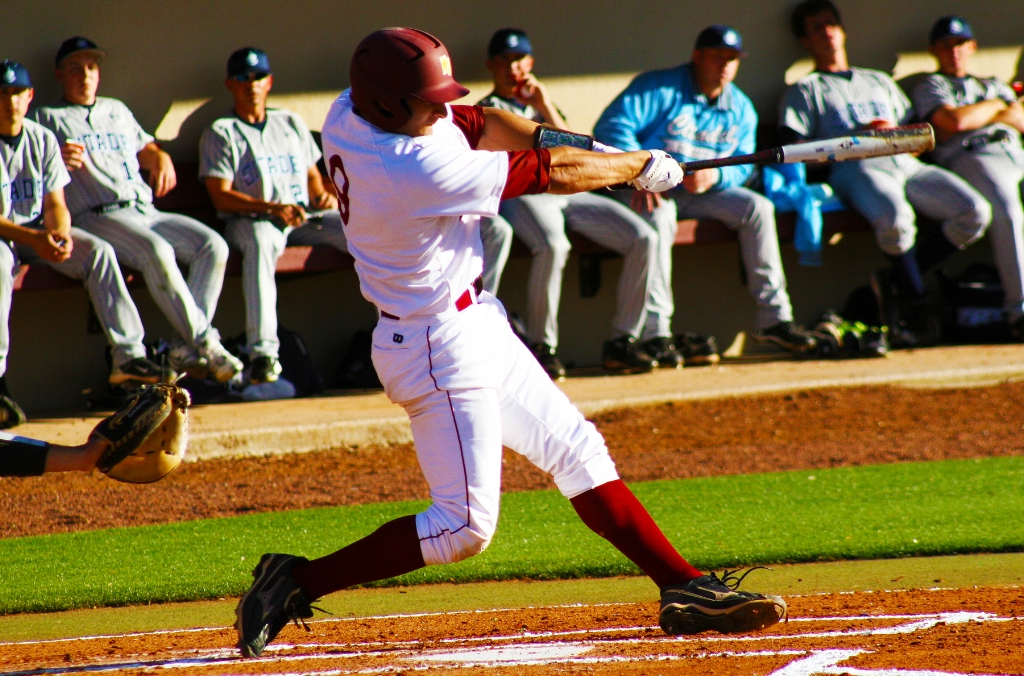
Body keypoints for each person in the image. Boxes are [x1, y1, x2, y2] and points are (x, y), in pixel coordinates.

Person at [233, 27, 786, 659]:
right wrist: (637, 165)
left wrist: (604, 151)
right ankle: (294, 580)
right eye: (428, 101)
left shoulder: (349, 110)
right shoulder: (410, 167)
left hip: (472, 320)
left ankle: (682, 586)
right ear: (389, 104)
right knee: (463, 527)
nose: (441, 110)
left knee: (578, 451)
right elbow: (547, 174)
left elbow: (488, 120)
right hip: (432, 342)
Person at [779, 1, 992, 347]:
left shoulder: (877, 80)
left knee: (975, 211)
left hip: (905, 161)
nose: (827, 31)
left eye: (831, 23)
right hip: (855, 167)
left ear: (843, 30)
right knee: (896, 219)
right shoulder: (805, 89)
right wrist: (855, 138)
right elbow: (795, 151)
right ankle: (918, 303)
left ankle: (894, 281)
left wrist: (895, 134)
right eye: (816, 27)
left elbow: (920, 132)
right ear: (805, 40)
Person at [594, 26, 815, 357]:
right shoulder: (659, 87)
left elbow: (744, 164)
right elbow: (612, 128)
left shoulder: (740, 106)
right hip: (647, 187)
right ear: (697, 56)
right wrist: (642, 172)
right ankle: (656, 333)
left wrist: (716, 178)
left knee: (757, 208)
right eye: (717, 56)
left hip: (701, 194)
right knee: (660, 215)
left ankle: (774, 320)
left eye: (732, 58)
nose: (725, 65)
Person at [32, 37, 242, 382]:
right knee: (157, 250)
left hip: (145, 209)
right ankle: (207, 343)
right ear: (59, 75)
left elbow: (145, 147)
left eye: (91, 67)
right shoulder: (47, 117)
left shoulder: (116, 109)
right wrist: (60, 162)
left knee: (212, 246)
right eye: (75, 68)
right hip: (99, 214)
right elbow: (37, 167)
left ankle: (182, 347)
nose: (85, 75)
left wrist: (158, 155)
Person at [478, 28, 670, 377]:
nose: (513, 68)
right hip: (525, 195)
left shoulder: (540, 106)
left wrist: (543, 104)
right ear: (492, 66)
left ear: (530, 63)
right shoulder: (487, 109)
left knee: (644, 237)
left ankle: (623, 342)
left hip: (569, 195)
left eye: (519, 59)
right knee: (552, 245)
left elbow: (579, 148)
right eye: (504, 60)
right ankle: (542, 345)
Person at [0, 61, 170, 426]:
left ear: (29, 97)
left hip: (37, 234)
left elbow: (56, 204)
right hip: (7, 238)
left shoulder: (41, 138)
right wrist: (38, 239)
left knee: (99, 252)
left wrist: (59, 235)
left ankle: (127, 358)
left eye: (17, 93)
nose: (10, 101)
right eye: (2, 93)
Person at [200, 48, 349, 384]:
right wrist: (270, 208)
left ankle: (400, 327)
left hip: (300, 218)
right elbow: (219, 193)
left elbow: (312, 174)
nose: (250, 84)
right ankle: (263, 353)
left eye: (257, 77)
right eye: (242, 78)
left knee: (357, 229)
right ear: (230, 84)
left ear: (269, 82)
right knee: (261, 243)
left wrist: (322, 194)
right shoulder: (221, 131)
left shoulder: (289, 122)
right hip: (251, 222)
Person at [911, 16, 1024, 339]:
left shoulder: (991, 82)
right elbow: (954, 122)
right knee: (1007, 209)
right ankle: (1020, 311)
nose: (954, 51)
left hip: (1013, 150)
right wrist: (998, 107)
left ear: (972, 47)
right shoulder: (930, 86)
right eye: (946, 44)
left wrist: (990, 110)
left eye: (960, 43)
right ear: (934, 50)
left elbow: (1021, 118)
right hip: (972, 155)